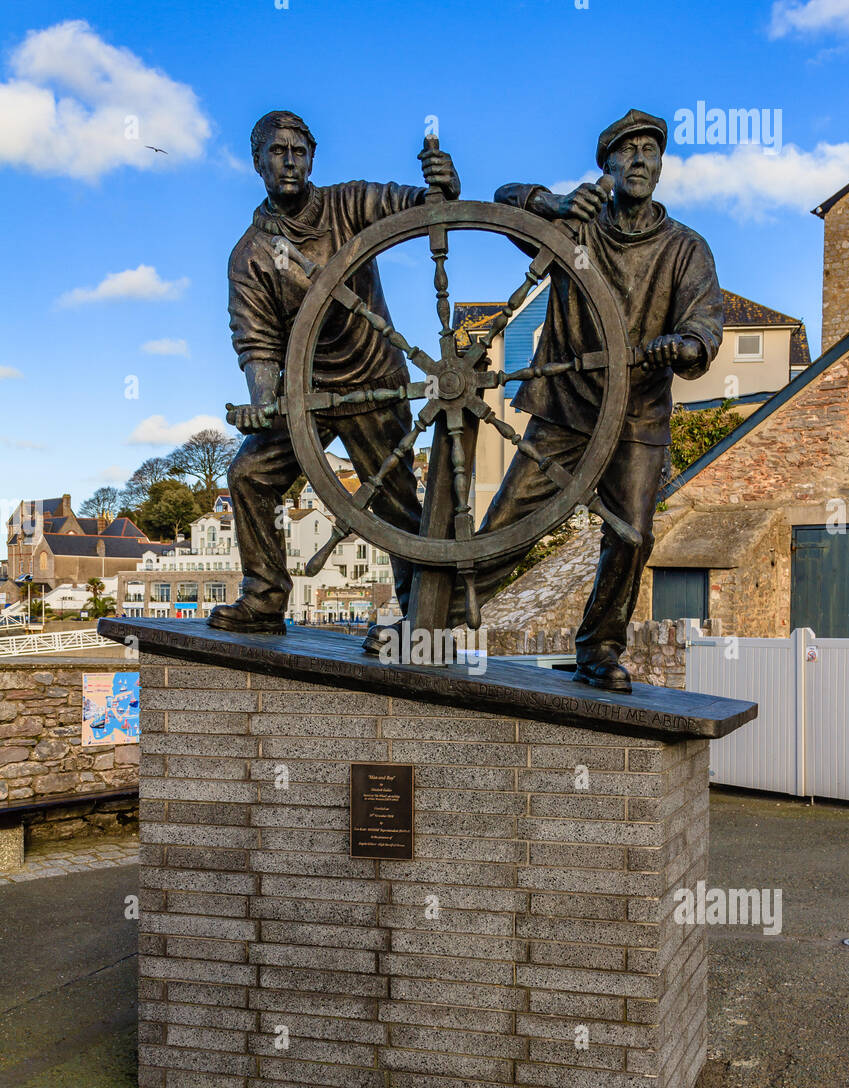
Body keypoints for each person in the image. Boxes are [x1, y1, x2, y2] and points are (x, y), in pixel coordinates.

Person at [452, 109, 723, 693]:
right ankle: (434, 620)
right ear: (607, 165)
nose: (640, 160)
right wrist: (549, 204)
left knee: (632, 536)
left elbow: (704, 322)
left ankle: (599, 648)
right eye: (627, 151)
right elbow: (501, 202)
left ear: (661, 164)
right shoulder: (579, 225)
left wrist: (685, 344)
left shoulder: (685, 249)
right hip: (568, 406)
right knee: (509, 523)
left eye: (650, 150)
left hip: (638, 414)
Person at [207, 110, 460, 635]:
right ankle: (264, 597)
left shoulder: (348, 204)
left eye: (299, 151)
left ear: (312, 157)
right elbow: (257, 342)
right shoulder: (249, 256)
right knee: (249, 475)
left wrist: (441, 185)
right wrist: (261, 400)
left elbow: (420, 208)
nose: (290, 162)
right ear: (257, 162)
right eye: (278, 152)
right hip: (308, 393)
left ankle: (421, 620)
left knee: (393, 507)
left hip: (374, 380)